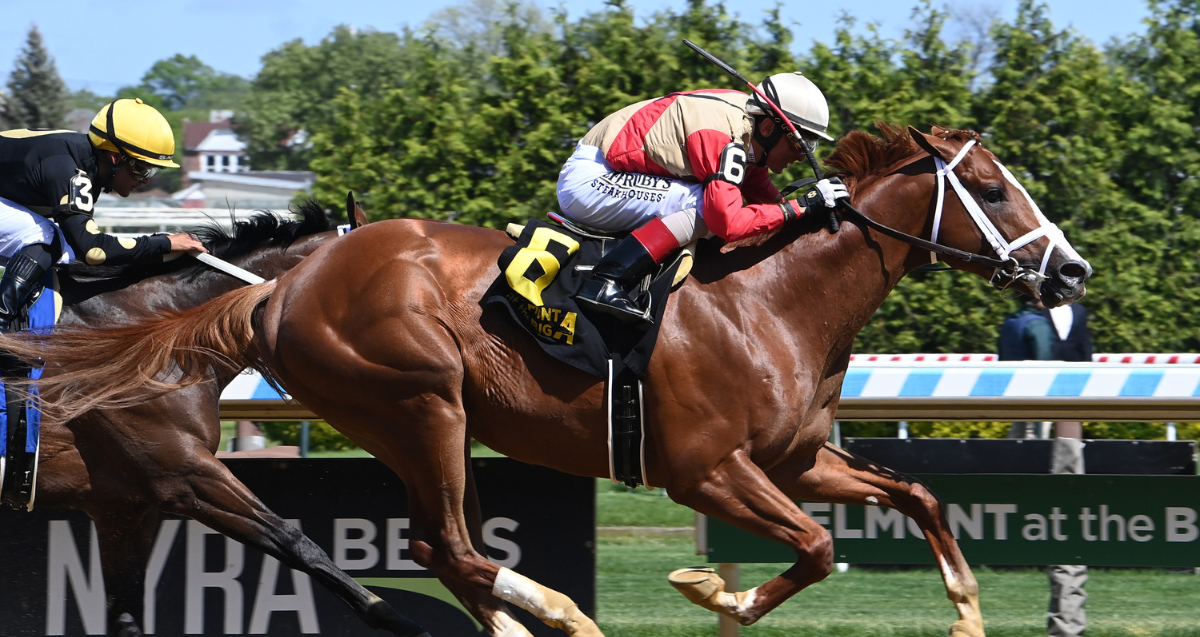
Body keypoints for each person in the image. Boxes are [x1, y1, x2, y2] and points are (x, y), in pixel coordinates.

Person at [556, 72, 849, 322]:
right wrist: (800, 207)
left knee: (717, 202)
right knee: (705, 206)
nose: (802, 156)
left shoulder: (750, 129)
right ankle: (606, 280)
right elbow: (727, 223)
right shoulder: (722, 136)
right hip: (591, 180)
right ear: (769, 128)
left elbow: (759, 189)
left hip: (614, 172)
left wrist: (808, 208)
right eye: (800, 143)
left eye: (809, 145)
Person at [0, 97, 207, 333]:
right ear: (114, 157)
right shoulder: (69, 170)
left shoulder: (88, 165)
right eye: (142, 168)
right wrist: (164, 243)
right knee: (47, 236)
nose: (146, 180)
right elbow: (93, 250)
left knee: (62, 249)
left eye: (152, 170)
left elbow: (82, 245)